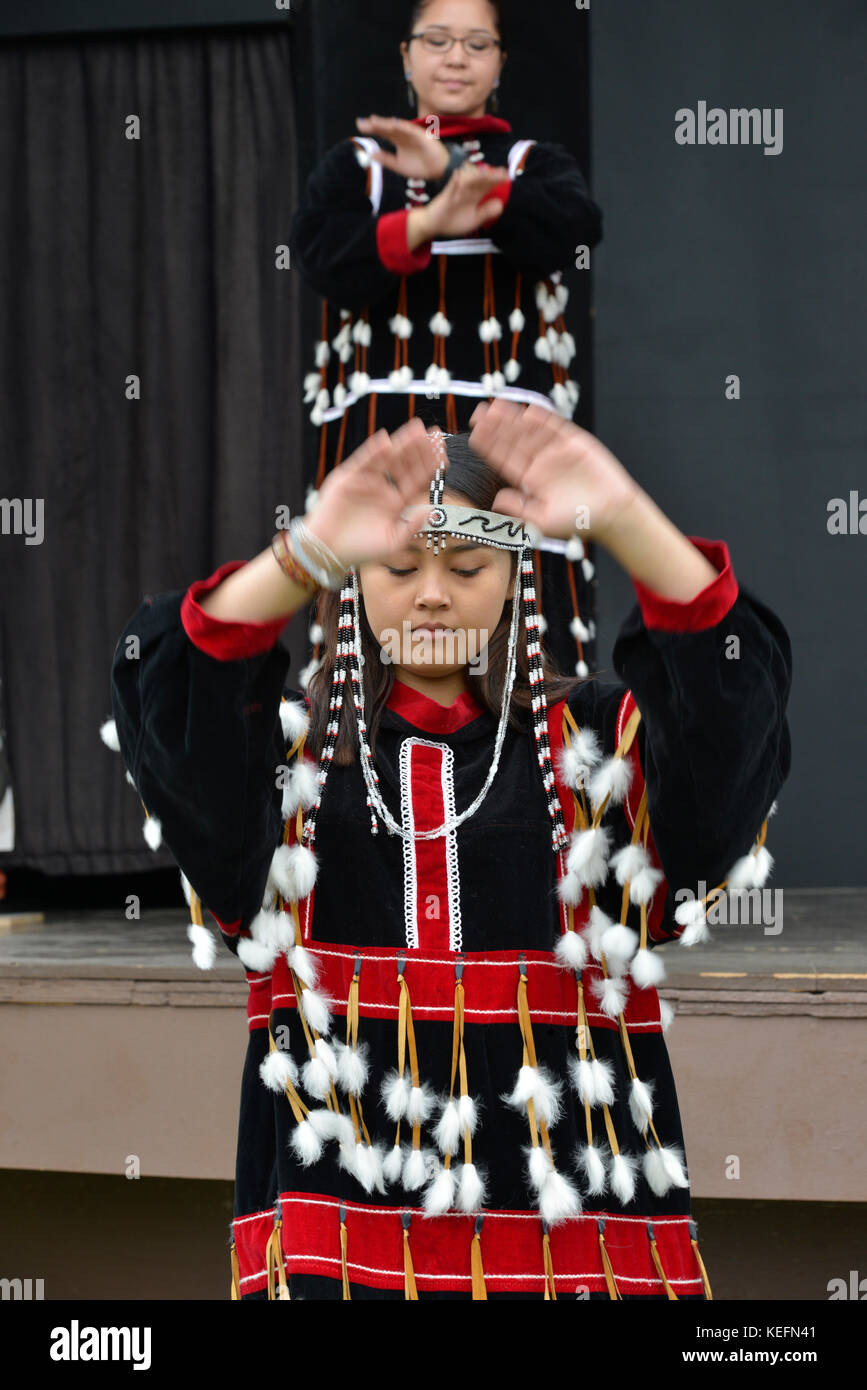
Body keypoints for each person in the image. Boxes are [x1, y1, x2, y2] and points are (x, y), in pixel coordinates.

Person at [107, 399, 792, 1299]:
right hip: (340, 1262)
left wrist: (625, 517)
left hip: (572, 1261)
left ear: (514, 576)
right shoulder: (288, 771)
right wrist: (300, 555)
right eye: (397, 565)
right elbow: (168, 710)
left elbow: (726, 758)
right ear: (352, 578)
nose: (432, 591)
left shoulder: (591, 754)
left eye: (467, 565)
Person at [288, 0, 604, 685]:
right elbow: (319, 257)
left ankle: (534, 766)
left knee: (518, 607)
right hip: (384, 433)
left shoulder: (529, 161)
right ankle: (359, 769)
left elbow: (573, 226)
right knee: (380, 584)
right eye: (436, 40)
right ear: (405, 55)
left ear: (499, 63)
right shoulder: (360, 166)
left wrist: (457, 173)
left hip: (505, 441)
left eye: (475, 43)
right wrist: (427, 219)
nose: (455, 57)